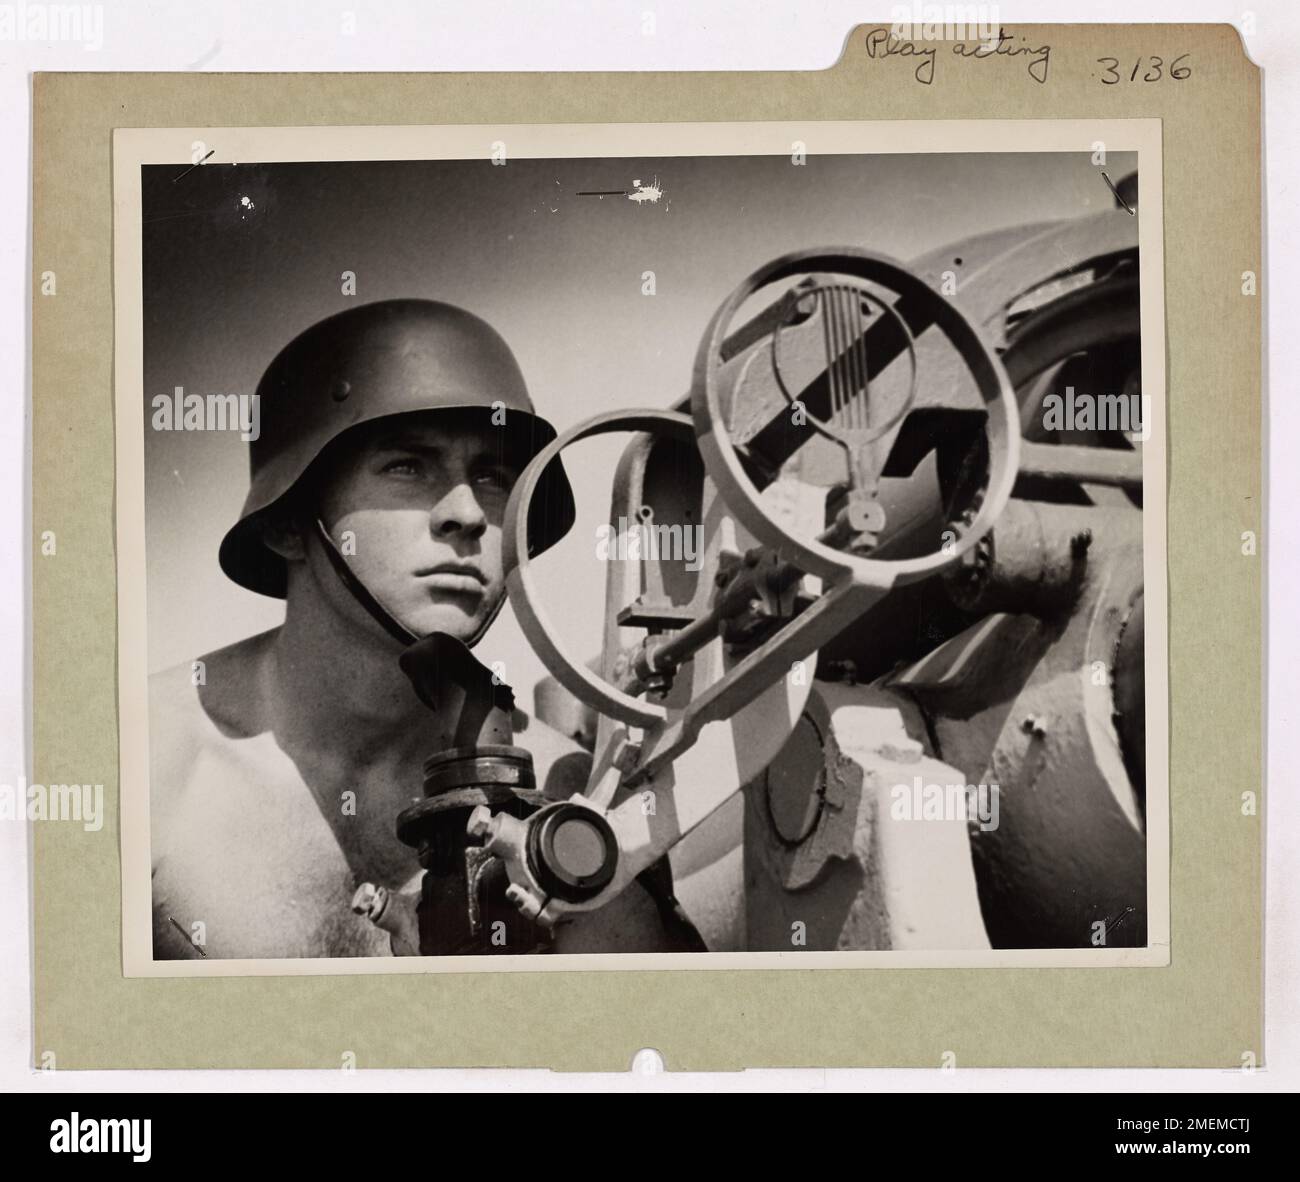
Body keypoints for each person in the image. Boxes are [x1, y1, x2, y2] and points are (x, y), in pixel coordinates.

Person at [149, 300, 686, 959]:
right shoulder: (149, 760)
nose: (466, 513)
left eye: (493, 477)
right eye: (408, 466)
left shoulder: (569, 792)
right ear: (287, 524)